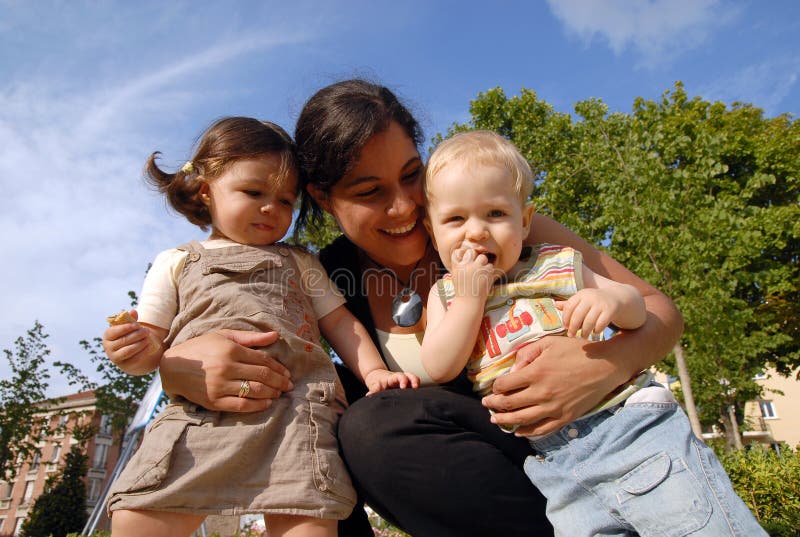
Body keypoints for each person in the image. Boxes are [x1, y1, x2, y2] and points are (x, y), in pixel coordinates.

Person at [131, 80, 685, 537]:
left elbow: (662, 311)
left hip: (567, 449)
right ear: (323, 199)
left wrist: (604, 364)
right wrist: (180, 366)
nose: (403, 206)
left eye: (411, 175)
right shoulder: (323, 277)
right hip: (483, 494)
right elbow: (267, 357)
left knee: (372, 421)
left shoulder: (494, 229)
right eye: (368, 190)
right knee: (334, 405)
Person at [420, 130, 767, 536]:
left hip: (628, 429)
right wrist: (469, 299)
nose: (476, 232)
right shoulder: (445, 295)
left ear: (526, 220)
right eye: (456, 219)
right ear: (432, 231)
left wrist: (611, 303)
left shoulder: (556, 265)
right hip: (553, 466)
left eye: (495, 214)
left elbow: (636, 306)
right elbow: (439, 366)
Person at [102, 117, 418, 537]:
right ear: (204, 189)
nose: (272, 208)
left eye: (286, 201)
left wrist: (375, 372)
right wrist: (132, 349)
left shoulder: (302, 263)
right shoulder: (177, 260)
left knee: (308, 521)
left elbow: (340, 322)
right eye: (253, 192)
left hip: (297, 417)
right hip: (199, 419)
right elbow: (152, 348)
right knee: (137, 518)